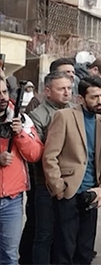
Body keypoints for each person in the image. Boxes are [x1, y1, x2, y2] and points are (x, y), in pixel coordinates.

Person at [42, 76, 101, 265]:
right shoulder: (64, 116)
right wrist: (58, 188)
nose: (100, 101)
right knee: (64, 250)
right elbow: (50, 156)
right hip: (68, 192)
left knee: (85, 251)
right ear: (80, 98)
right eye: (94, 97)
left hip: (92, 194)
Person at [26, 71, 74, 265]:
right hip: (45, 182)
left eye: (69, 88)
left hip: (71, 180)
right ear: (47, 91)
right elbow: (38, 152)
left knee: (66, 234)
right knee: (44, 234)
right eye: (61, 89)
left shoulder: (75, 111)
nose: (67, 92)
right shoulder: (37, 116)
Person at [0, 79, 44, 264]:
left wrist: (20, 134)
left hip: (12, 198)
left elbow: (35, 154)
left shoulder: (21, 119)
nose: (2, 97)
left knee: (9, 257)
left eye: (4, 92)